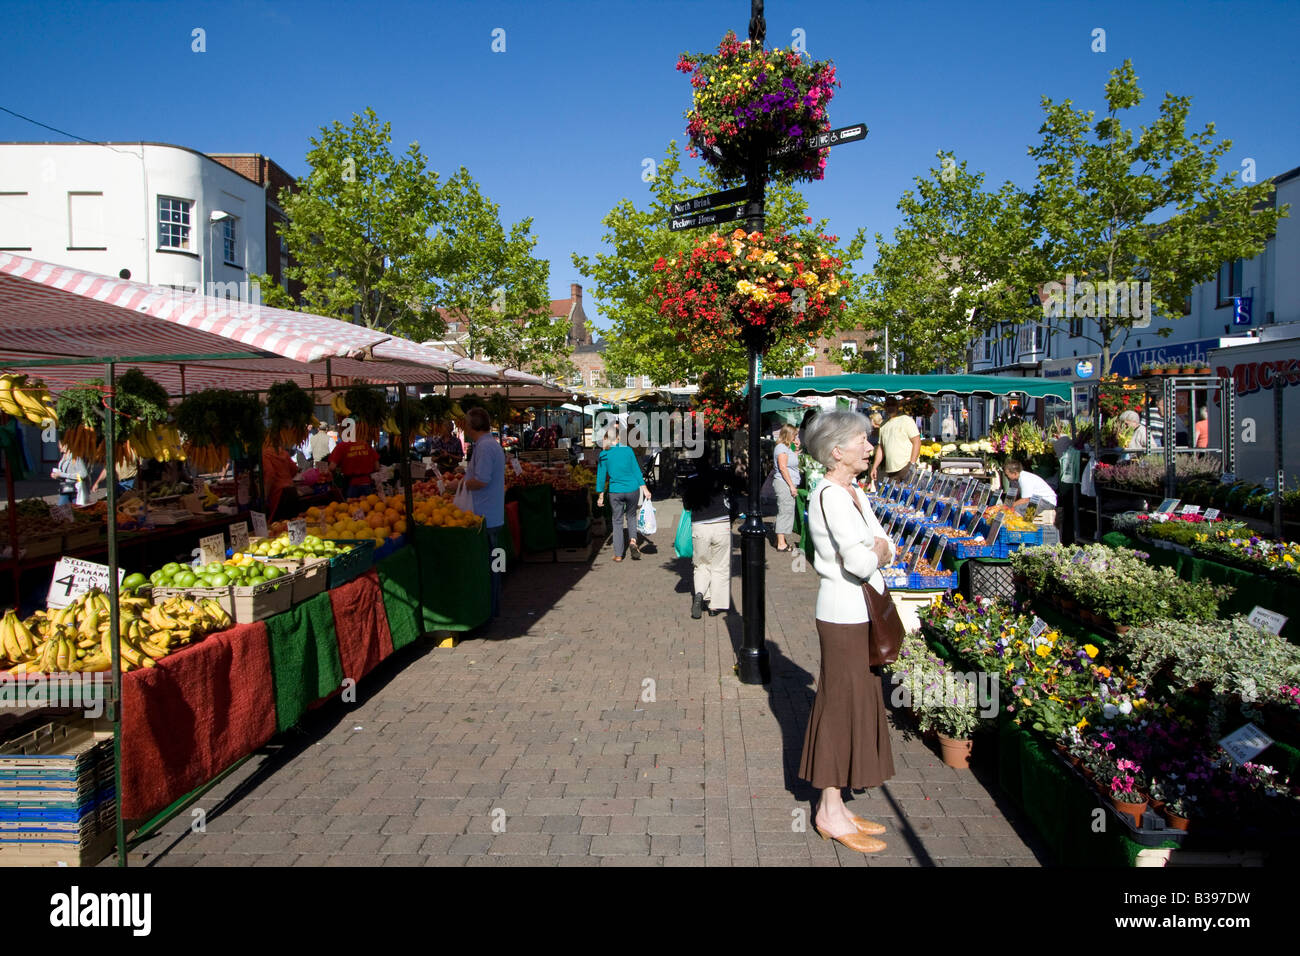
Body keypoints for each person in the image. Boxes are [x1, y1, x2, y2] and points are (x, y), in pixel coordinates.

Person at [800, 410, 896, 854]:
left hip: (862, 612)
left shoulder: (853, 492)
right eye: (862, 440)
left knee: (856, 702)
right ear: (836, 451)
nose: (869, 447)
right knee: (839, 707)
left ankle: (837, 805)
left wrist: (876, 549)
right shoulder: (830, 496)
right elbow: (860, 561)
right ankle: (828, 811)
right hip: (842, 614)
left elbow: (886, 546)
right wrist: (876, 550)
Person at [463, 407, 506, 619]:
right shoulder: (490, 445)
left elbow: (482, 479)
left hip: (486, 515)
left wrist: (460, 485)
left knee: (491, 563)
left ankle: (491, 607)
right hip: (492, 512)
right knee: (496, 561)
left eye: (465, 422)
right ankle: (495, 603)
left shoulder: (485, 447)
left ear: (472, 425)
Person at [682, 456, 737, 618]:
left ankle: (700, 594)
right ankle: (715, 605)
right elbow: (733, 499)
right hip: (721, 523)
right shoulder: (720, 476)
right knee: (720, 565)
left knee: (701, 564)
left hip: (700, 525)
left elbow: (687, 505)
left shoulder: (690, 479)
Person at [595, 425, 650, 562]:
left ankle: (618, 554)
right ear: (619, 438)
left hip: (615, 491)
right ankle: (632, 541)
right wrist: (645, 489)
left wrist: (600, 495)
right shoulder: (628, 450)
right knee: (631, 517)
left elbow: (601, 476)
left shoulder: (604, 454)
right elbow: (636, 471)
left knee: (617, 521)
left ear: (607, 438)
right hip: (632, 489)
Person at [870, 396, 921, 483]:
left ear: (897, 406)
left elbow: (917, 442)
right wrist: (874, 467)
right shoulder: (883, 424)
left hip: (906, 467)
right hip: (891, 470)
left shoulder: (906, 420)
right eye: (888, 405)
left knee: (907, 495)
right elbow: (881, 448)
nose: (890, 407)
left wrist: (912, 464)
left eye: (893, 405)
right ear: (885, 407)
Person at [772, 424, 801, 552]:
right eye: (794, 435)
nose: (796, 437)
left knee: (786, 510)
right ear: (788, 435)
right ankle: (781, 543)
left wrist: (796, 449)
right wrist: (791, 486)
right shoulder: (781, 448)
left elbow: (791, 463)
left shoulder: (787, 448)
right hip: (784, 483)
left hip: (787, 483)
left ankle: (780, 539)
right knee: (784, 511)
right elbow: (783, 468)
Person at [1003, 459, 1057, 525]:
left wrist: (1009, 506)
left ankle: (1023, 528)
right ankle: (1025, 526)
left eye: (1007, 475)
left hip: (1046, 502)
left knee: (1017, 510)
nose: (1006, 477)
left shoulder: (1024, 478)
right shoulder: (1023, 476)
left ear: (1014, 473)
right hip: (1040, 500)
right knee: (1018, 509)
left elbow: (1025, 499)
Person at [327, 434, 380, 499]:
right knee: (369, 507)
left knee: (352, 507)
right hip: (367, 484)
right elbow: (377, 467)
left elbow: (332, 467)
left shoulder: (342, 446)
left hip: (351, 486)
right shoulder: (366, 445)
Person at [262, 441, 300, 521]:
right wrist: (287, 478)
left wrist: (265, 495)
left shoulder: (265, 454)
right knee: (294, 524)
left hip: (279, 494)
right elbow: (294, 469)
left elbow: (270, 474)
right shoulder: (284, 452)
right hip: (291, 490)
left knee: (280, 526)